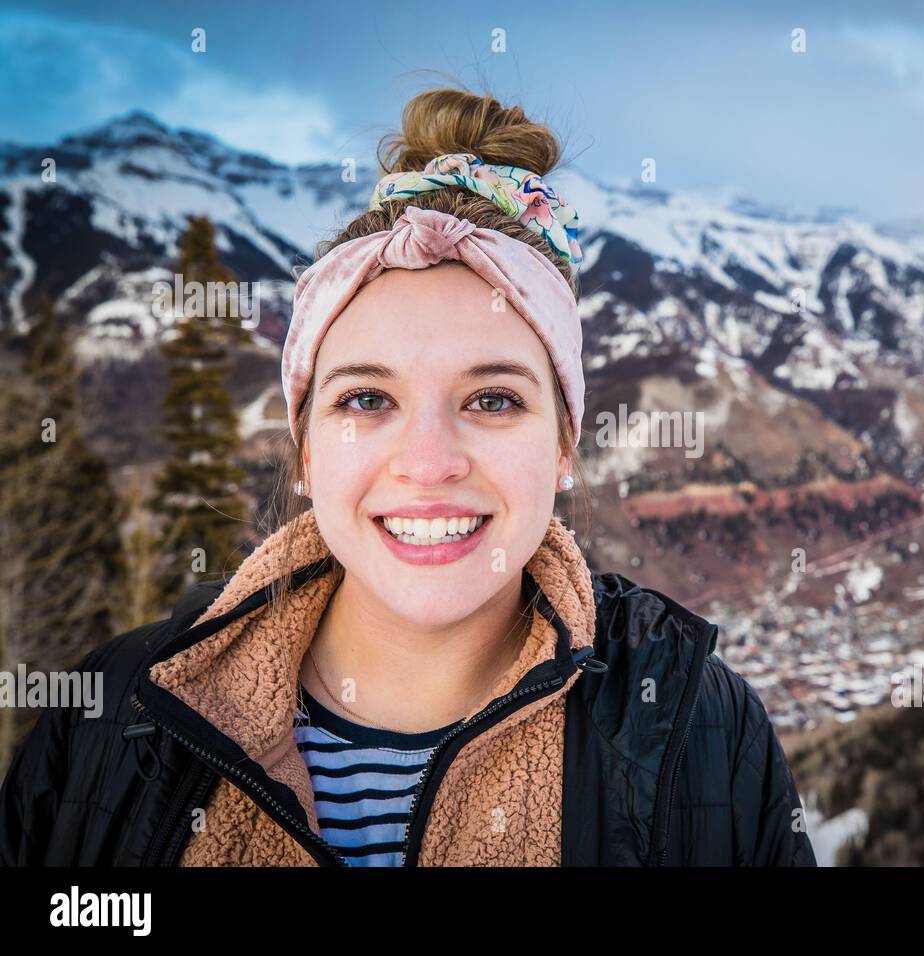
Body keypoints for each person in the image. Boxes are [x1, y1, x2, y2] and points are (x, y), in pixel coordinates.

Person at [0, 87, 816, 867]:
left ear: (565, 445)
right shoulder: (117, 714)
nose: (428, 462)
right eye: (367, 398)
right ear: (308, 450)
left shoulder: (700, 732)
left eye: (492, 399)